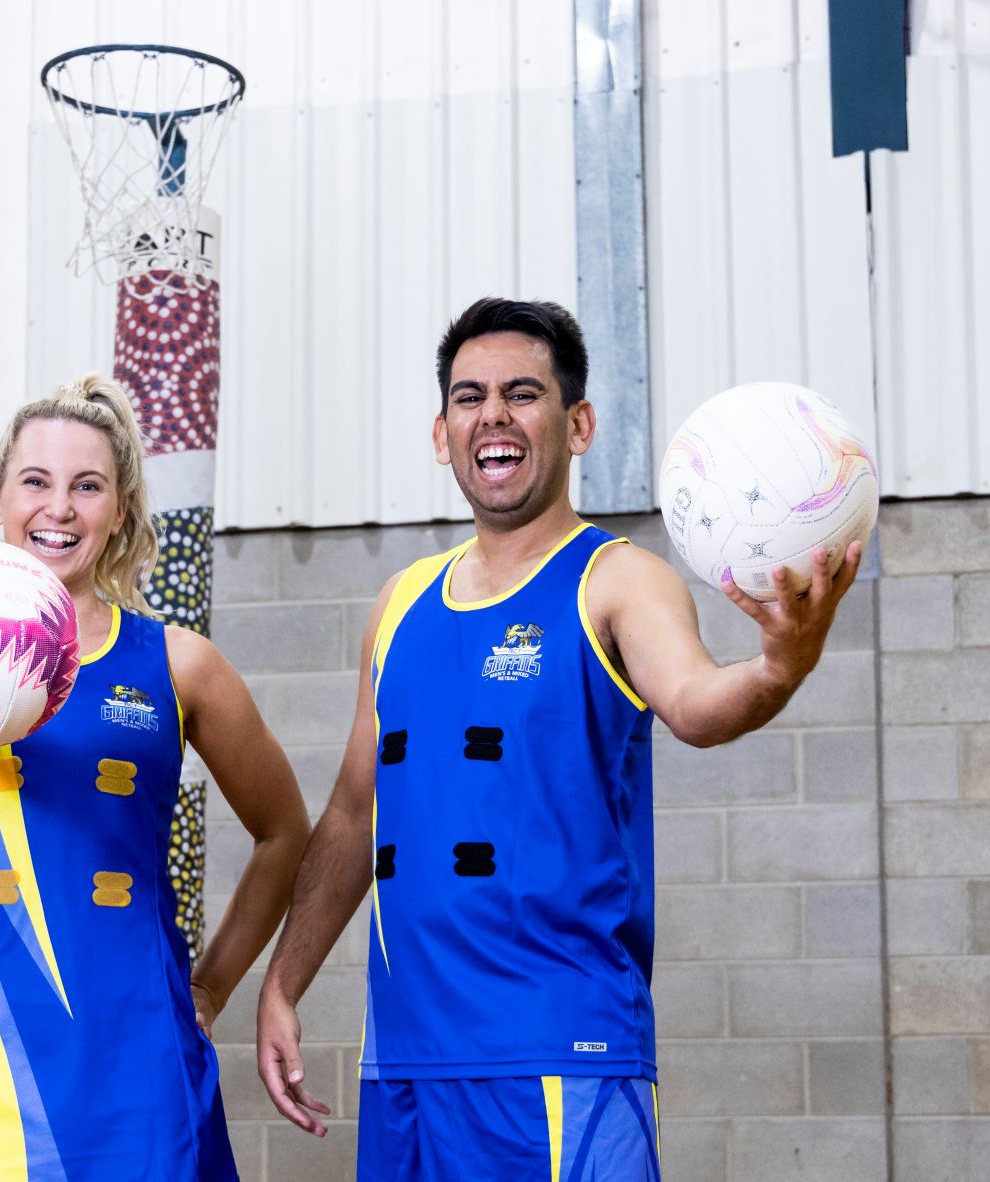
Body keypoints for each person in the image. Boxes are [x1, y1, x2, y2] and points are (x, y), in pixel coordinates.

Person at [255, 298, 863, 1180]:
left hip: (558, 1056)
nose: (492, 416)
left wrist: (778, 668)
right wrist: (283, 983)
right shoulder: (397, 604)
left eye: (520, 394)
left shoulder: (618, 581)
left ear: (576, 424)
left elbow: (696, 702)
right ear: (440, 433)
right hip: (406, 1066)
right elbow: (354, 814)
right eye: (469, 398)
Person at [0, 375, 312, 1181]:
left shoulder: (178, 663)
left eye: (88, 487)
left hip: (137, 1062)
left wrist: (213, 988)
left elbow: (285, 831)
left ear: (119, 510)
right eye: (35, 483)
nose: (59, 509)